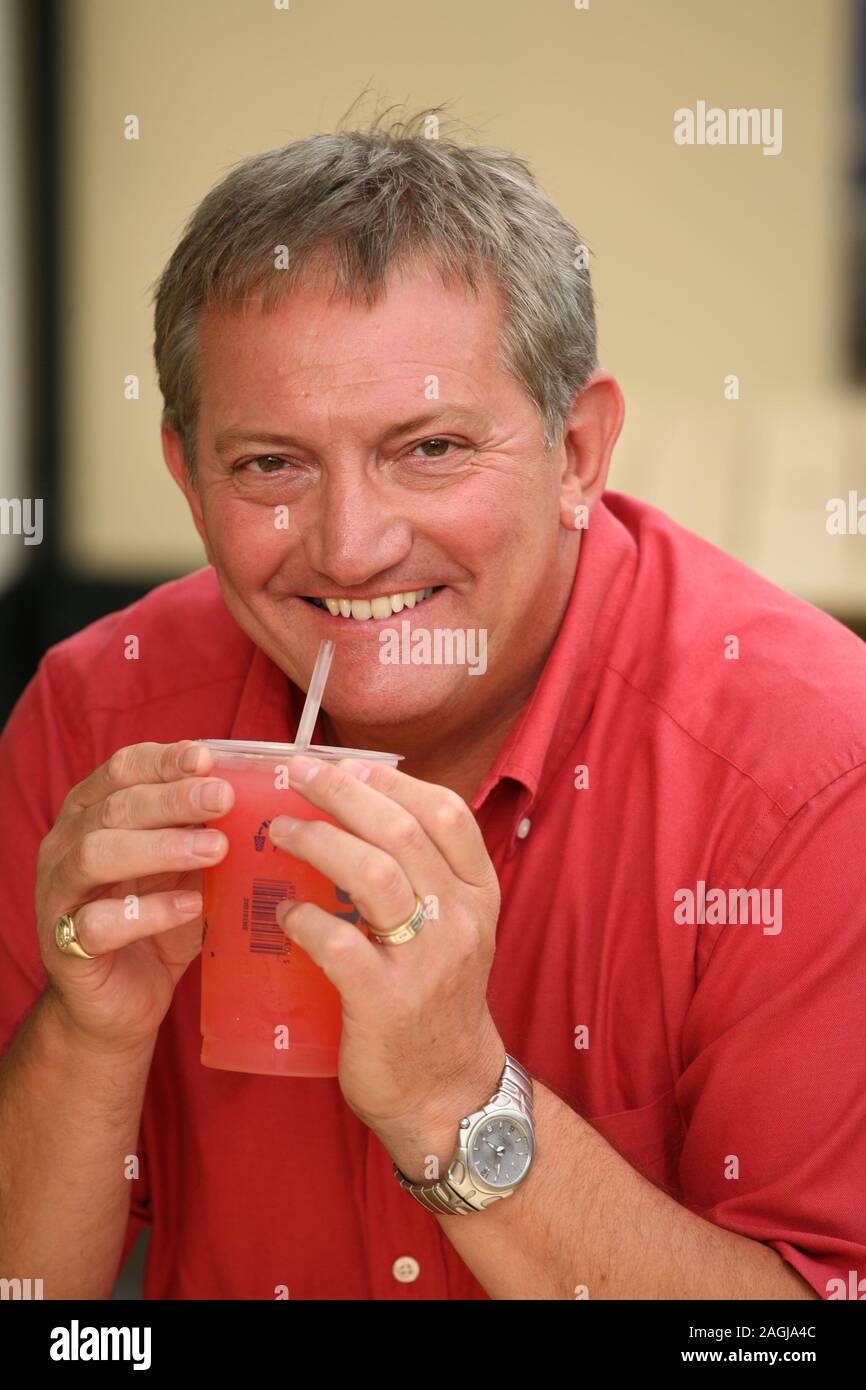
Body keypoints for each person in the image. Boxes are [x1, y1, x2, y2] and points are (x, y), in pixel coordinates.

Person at [1, 110, 863, 1302]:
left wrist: (458, 1098)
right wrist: (85, 1039)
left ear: (575, 453)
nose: (350, 549)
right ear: (188, 479)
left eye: (430, 448)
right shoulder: (102, 717)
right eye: (269, 465)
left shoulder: (811, 771)